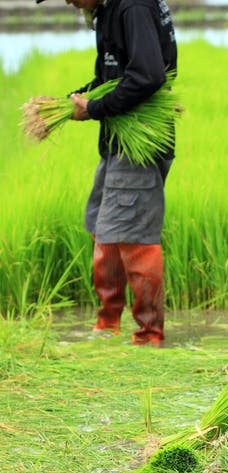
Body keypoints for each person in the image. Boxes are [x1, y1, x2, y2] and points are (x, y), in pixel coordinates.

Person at [35, 0, 177, 345]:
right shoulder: (107, 9)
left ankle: (148, 335)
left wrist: (95, 108)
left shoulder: (133, 6)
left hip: (140, 141)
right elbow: (112, 76)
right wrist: (78, 99)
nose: (68, 1)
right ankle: (108, 323)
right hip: (117, 139)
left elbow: (148, 75)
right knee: (104, 229)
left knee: (134, 239)